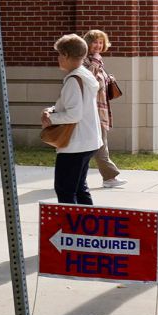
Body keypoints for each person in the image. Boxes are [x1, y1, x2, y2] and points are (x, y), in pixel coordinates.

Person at [44, 34, 102, 205]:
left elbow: (74, 114)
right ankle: (89, 229)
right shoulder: (85, 75)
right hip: (89, 140)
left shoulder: (72, 80)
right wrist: (54, 110)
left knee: (65, 189)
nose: (58, 58)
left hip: (75, 144)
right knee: (79, 188)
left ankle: (71, 227)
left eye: (60, 54)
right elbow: (78, 107)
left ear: (67, 56)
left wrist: (51, 118)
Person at [82, 29, 127, 189]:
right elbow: (87, 80)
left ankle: (78, 177)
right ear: (88, 43)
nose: (98, 45)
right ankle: (110, 177)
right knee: (99, 143)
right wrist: (95, 62)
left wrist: (108, 79)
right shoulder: (86, 61)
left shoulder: (99, 62)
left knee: (95, 144)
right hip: (90, 111)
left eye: (101, 42)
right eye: (95, 42)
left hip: (100, 110)